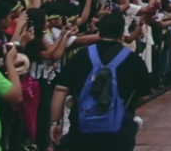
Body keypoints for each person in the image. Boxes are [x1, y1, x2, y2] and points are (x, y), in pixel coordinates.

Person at [50, 13, 150, 151]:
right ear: (122, 33)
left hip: (82, 128)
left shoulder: (81, 56)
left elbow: (60, 89)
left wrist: (55, 122)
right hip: (119, 130)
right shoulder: (134, 60)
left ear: (99, 31)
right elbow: (143, 95)